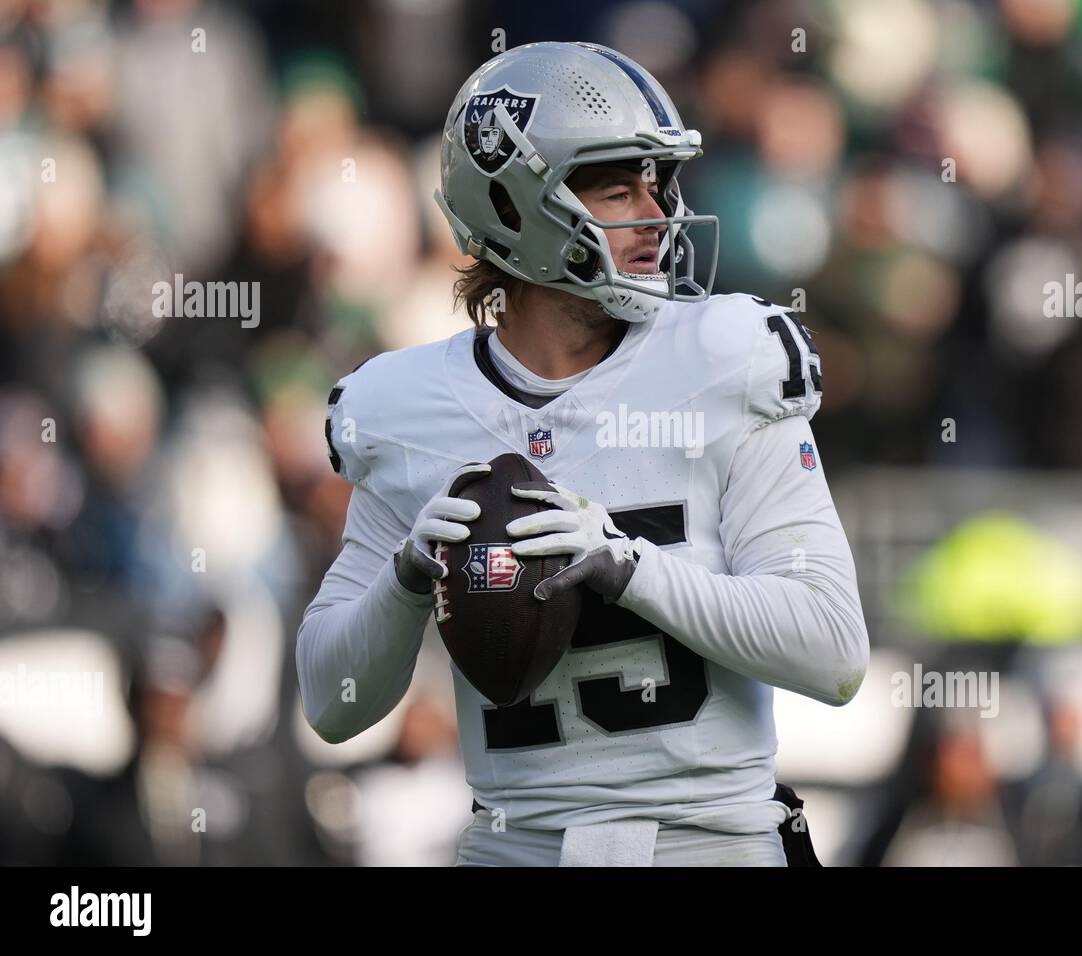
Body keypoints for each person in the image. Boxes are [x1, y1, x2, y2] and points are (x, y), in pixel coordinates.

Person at [296, 41, 869, 866]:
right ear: (517, 205)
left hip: (712, 843)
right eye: (617, 186)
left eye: (660, 183)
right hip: (515, 846)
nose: (658, 212)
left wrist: (628, 569)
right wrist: (405, 577)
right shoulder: (408, 408)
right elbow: (332, 702)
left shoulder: (726, 359)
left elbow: (833, 653)